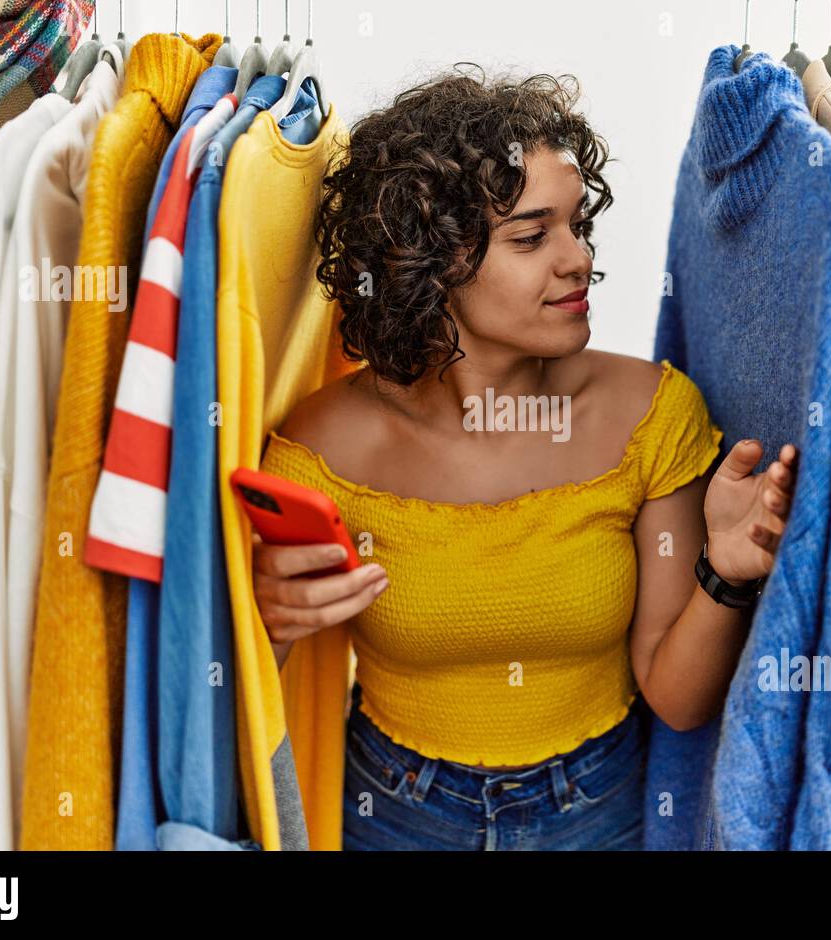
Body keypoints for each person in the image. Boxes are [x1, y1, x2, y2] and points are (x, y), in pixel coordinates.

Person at [252, 66, 799, 850]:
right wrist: (266, 625)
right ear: (432, 263)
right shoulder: (322, 448)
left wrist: (727, 571)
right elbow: (226, 700)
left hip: (598, 809)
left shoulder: (650, 414)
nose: (577, 259)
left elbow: (677, 699)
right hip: (393, 812)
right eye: (533, 236)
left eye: (577, 226)